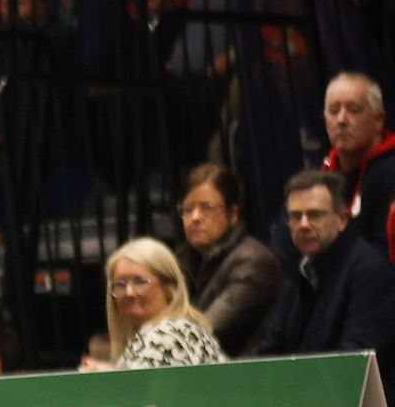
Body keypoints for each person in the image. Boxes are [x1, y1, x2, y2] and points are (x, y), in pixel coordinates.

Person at [259, 172, 395, 392]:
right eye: (295, 216)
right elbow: (271, 350)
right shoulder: (299, 271)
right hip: (305, 398)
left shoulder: (370, 272)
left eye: (314, 215)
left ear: (342, 219)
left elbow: (353, 365)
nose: (303, 224)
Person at [171, 164, 282, 356]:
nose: (195, 217)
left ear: (233, 214)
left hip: (244, 375)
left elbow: (205, 331)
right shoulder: (183, 259)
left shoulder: (253, 262)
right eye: (188, 209)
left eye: (207, 207)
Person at [104, 237, 226, 369]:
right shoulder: (177, 329)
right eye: (120, 284)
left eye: (140, 281)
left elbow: (140, 388)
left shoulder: (169, 336)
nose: (129, 292)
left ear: (169, 288)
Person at [320, 73, 395, 263]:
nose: (342, 120)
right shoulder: (323, 172)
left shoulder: (389, 174)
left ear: (379, 120)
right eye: (334, 111)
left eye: (353, 110)